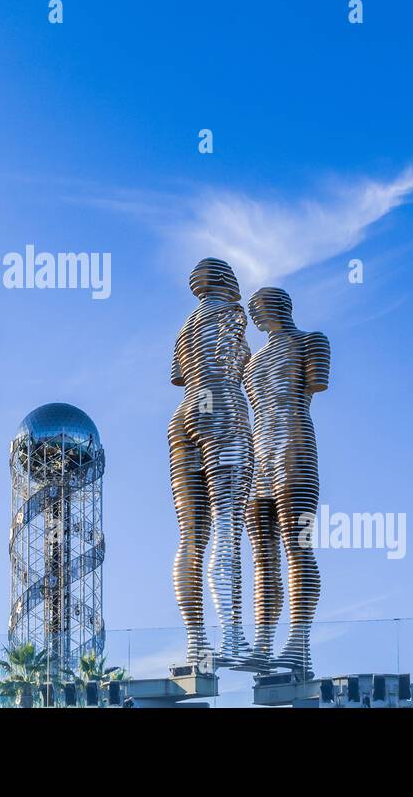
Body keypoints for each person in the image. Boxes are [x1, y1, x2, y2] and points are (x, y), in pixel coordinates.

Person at [168, 258, 253, 666]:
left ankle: (196, 643)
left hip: (183, 413)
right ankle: (234, 639)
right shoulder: (230, 313)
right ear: (226, 281)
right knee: (228, 525)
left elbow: (179, 376)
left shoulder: (185, 327)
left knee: (190, 537)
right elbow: (237, 364)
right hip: (222, 405)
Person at [244, 287, 329, 676]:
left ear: (279, 306)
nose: (255, 316)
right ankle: (263, 643)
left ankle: (298, 643)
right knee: (263, 555)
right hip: (257, 457)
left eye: (259, 308)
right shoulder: (250, 362)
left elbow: (314, 385)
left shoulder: (311, 341)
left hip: (295, 448)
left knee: (298, 547)